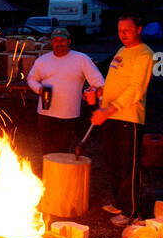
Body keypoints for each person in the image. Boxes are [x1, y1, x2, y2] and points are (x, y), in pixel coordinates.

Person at [91, 14, 155, 226]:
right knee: (114, 163)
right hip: (111, 116)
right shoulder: (121, 52)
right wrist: (99, 93)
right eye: (120, 30)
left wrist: (108, 109)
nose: (123, 34)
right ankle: (120, 202)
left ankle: (132, 211)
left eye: (127, 30)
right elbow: (115, 82)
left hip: (128, 118)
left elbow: (136, 89)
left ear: (139, 29)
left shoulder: (145, 54)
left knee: (129, 166)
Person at [26, 28, 105, 162]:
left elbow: (98, 81)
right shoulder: (42, 60)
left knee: (62, 153)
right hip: (45, 114)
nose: (59, 44)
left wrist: (101, 99)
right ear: (52, 42)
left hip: (68, 115)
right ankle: (48, 180)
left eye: (62, 40)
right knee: (46, 152)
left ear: (69, 41)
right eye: (56, 41)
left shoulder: (81, 59)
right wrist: (39, 89)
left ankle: (60, 180)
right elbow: (31, 79)